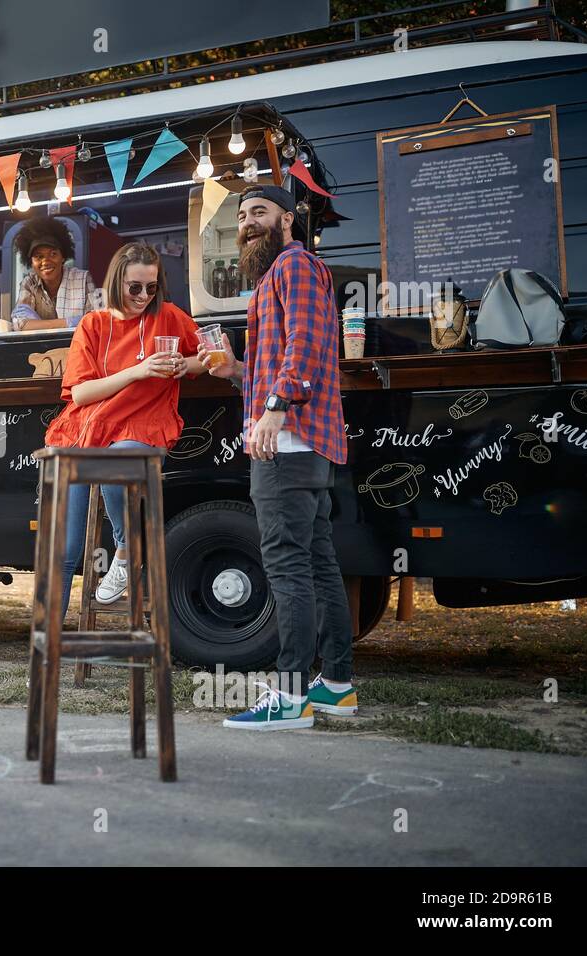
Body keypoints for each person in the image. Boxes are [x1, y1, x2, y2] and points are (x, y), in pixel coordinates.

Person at [201, 184, 357, 730]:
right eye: (241, 215)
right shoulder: (275, 277)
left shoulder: (295, 264)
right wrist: (238, 374)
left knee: (287, 564)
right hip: (299, 439)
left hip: (287, 441)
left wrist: (275, 405)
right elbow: (284, 358)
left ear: (287, 219)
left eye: (259, 212)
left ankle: (289, 698)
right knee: (317, 562)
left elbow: (309, 345)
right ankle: (336, 685)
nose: (247, 222)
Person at [43, 241, 203, 621]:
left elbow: (208, 356)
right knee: (65, 545)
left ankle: (127, 550)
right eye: (135, 287)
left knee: (119, 465)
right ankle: (46, 634)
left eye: (152, 286)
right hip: (88, 427)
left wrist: (187, 364)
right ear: (117, 281)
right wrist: (139, 370)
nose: (144, 295)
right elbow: (80, 393)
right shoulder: (93, 323)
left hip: (144, 422)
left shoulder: (168, 316)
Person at [10, 217, 97, 331]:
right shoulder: (29, 282)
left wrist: (38, 325)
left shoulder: (83, 278)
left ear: (63, 257)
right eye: (39, 256)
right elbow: (21, 324)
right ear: (31, 262)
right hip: (40, 349)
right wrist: (71, 322)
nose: (45, 261)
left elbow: (94, 321)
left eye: (53, 254)